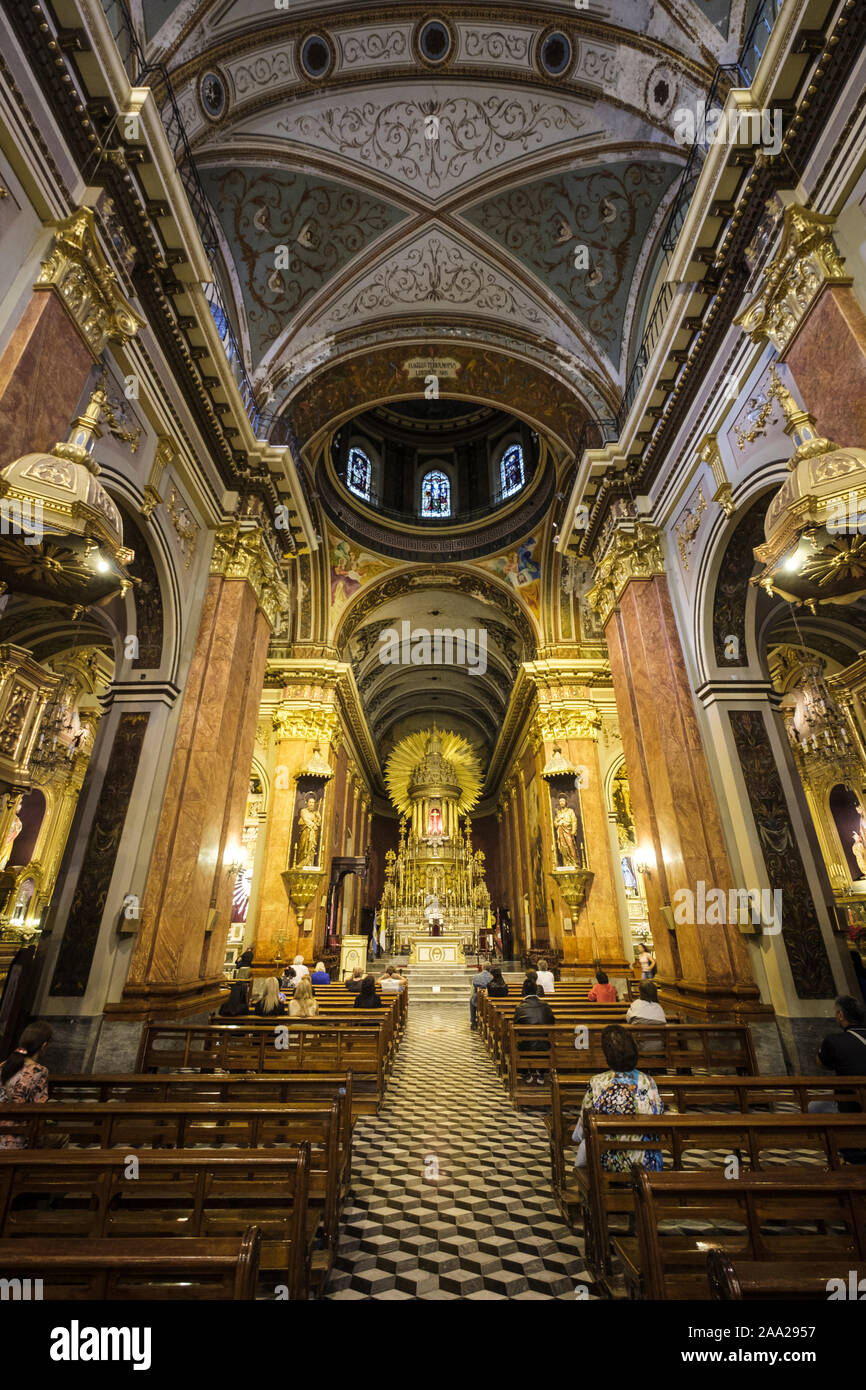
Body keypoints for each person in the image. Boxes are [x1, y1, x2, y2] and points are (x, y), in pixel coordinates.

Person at [572, 1024, 664, 1171]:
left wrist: (577, 1136)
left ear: (607, 1054)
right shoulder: (648, 1081)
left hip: (611, 1163)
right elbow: (657, 1114)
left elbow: (585, 1123)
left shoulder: (598, 1082)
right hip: (647, 1163)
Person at [0, 1022, 53, 1149]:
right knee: (62, 1137)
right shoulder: (39, 1071)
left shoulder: (2, 1066)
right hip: (14, 1139)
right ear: (44, 1046)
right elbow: (39, 1109)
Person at [811, 996, 866, 1112]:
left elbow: (822, 1064)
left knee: (812, 1108)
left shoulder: (834, 1041)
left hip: (851, 1107)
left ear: (841, 1015)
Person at [513, 983, 554, 1085]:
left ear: (523, 991)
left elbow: (516, 1026)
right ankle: (541, 1073)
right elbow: (552, 1022)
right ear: (536, 991)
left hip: (527, 1047)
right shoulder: (546, 1006)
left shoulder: (520, 1008)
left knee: (519, 1041)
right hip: (545, 1046)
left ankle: (526, 1072)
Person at [470, 963, 493, 1029]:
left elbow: (474, 987)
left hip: (477, 1000)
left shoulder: (476, 976)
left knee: (472, 1000)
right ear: (490, 969)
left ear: (483, 968)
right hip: (489, 999)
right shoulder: (492, 977)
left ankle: (473, 1022)